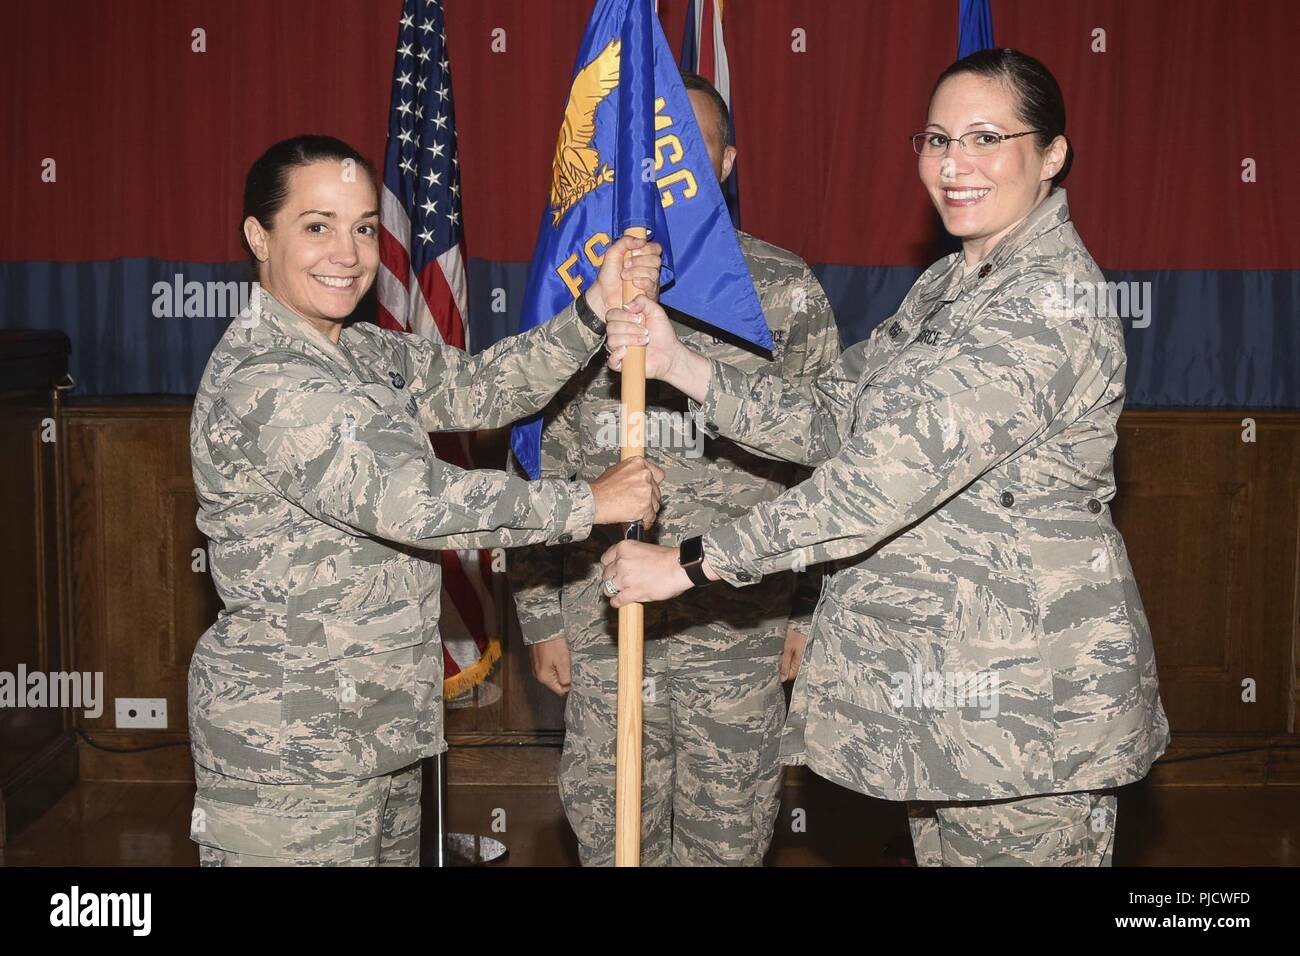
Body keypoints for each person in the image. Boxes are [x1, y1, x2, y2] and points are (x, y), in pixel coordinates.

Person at [598, 49, 1170, 866]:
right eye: (937, 140)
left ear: (1051, 154)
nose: (954, 164)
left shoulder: (1047, 303)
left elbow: (878, 481)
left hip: (1027, 713)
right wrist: (681, 363)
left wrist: (690, 564)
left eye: (984, 138)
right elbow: (836, 415)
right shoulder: (949, 284)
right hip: (947, 699)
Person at [187, 134, 664, 866]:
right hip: (290, 753)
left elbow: (484, 387)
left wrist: (593, 310)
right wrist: (585, 504)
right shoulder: (267, 373)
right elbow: (414, 500)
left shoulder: (360, 347)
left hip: (378, 729)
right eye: (317, 227)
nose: (346, 253)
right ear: (259, 235)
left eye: (364, 228)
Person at [508, 73, 842, 866]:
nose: (669, 165)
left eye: (689, 147)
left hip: (741, 628)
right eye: (652, 147)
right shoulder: (580, 288)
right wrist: (541, 616)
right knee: (610, 833)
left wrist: (807, 617)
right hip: (605, 627)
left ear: (724, 162)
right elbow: (537, 465)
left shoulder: (784, 292)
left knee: (727, 842)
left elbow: (831, 464)